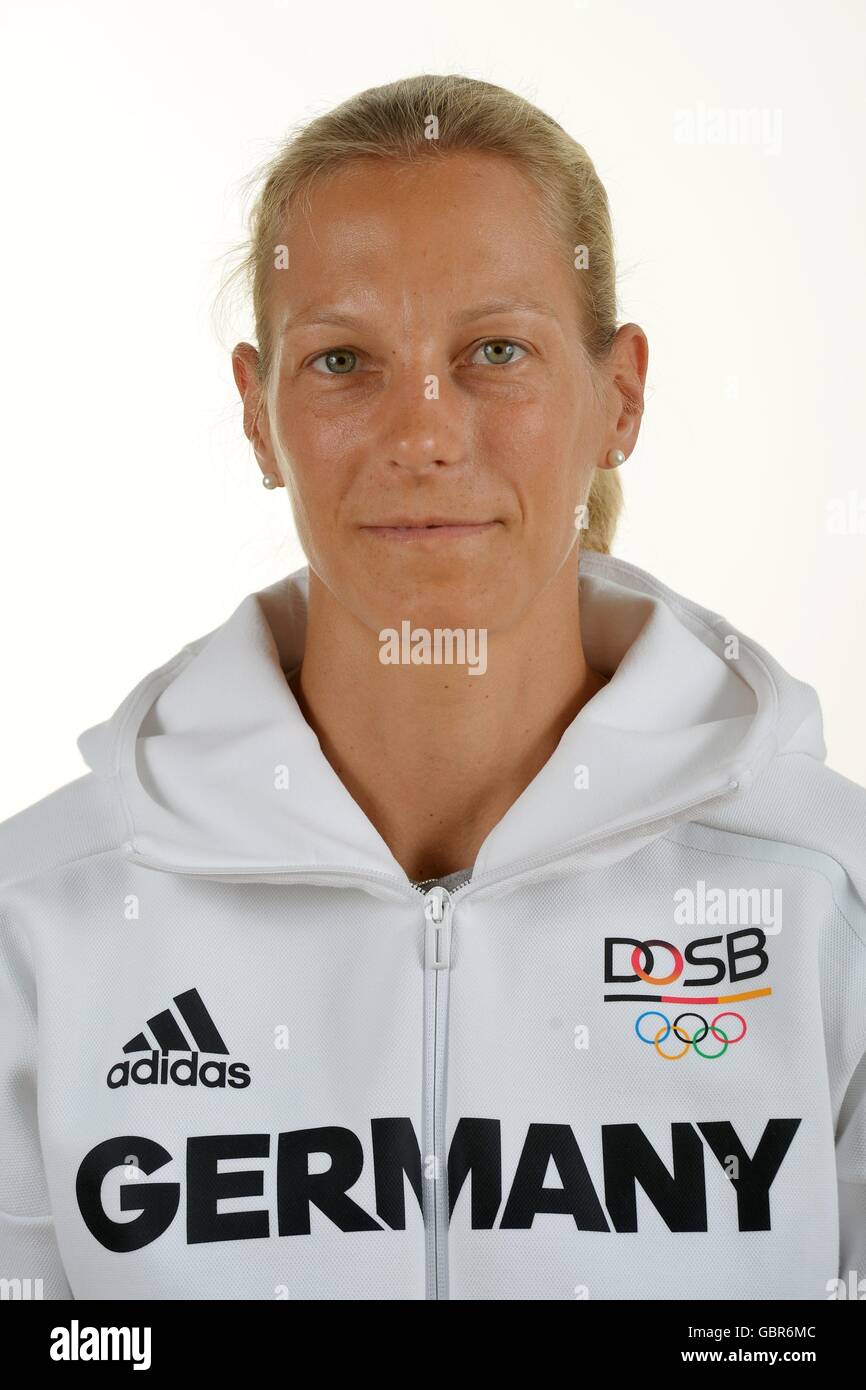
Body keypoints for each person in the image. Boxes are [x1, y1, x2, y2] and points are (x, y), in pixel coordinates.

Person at [1, 73, 865, 1302]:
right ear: (256, 412)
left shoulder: (828, 901)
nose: (422, 432)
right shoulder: (39, 929)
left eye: (493, 352)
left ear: (617, 396)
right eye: (343, 358)